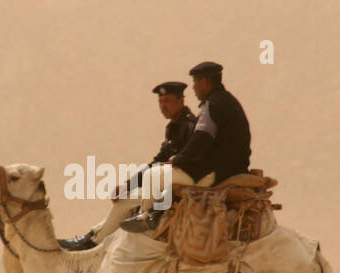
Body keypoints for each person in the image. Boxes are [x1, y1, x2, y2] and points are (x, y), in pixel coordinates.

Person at [58, 80, 199, 250]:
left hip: (175, 186)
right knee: (127, 196)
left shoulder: (190, 126)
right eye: (160, 102)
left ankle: (94, 242)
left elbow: (181, 162)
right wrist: (128, 184)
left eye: (167, 101)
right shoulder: (174, 127)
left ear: (181, 101)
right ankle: (92, 234)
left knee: (125, 202)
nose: (163, 106)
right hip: (163, 181)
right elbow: (158, 160)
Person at [119, 60, 252, 233]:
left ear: (204, 82)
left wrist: (177, 160)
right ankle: (153, 214)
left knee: (155, 175)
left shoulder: (212, 105)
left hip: (218, 170)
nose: (194, 88)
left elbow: (202, 138)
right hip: (228, 166)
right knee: (160, 174)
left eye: (195, 82)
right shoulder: (224, 101)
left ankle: (148, 217)